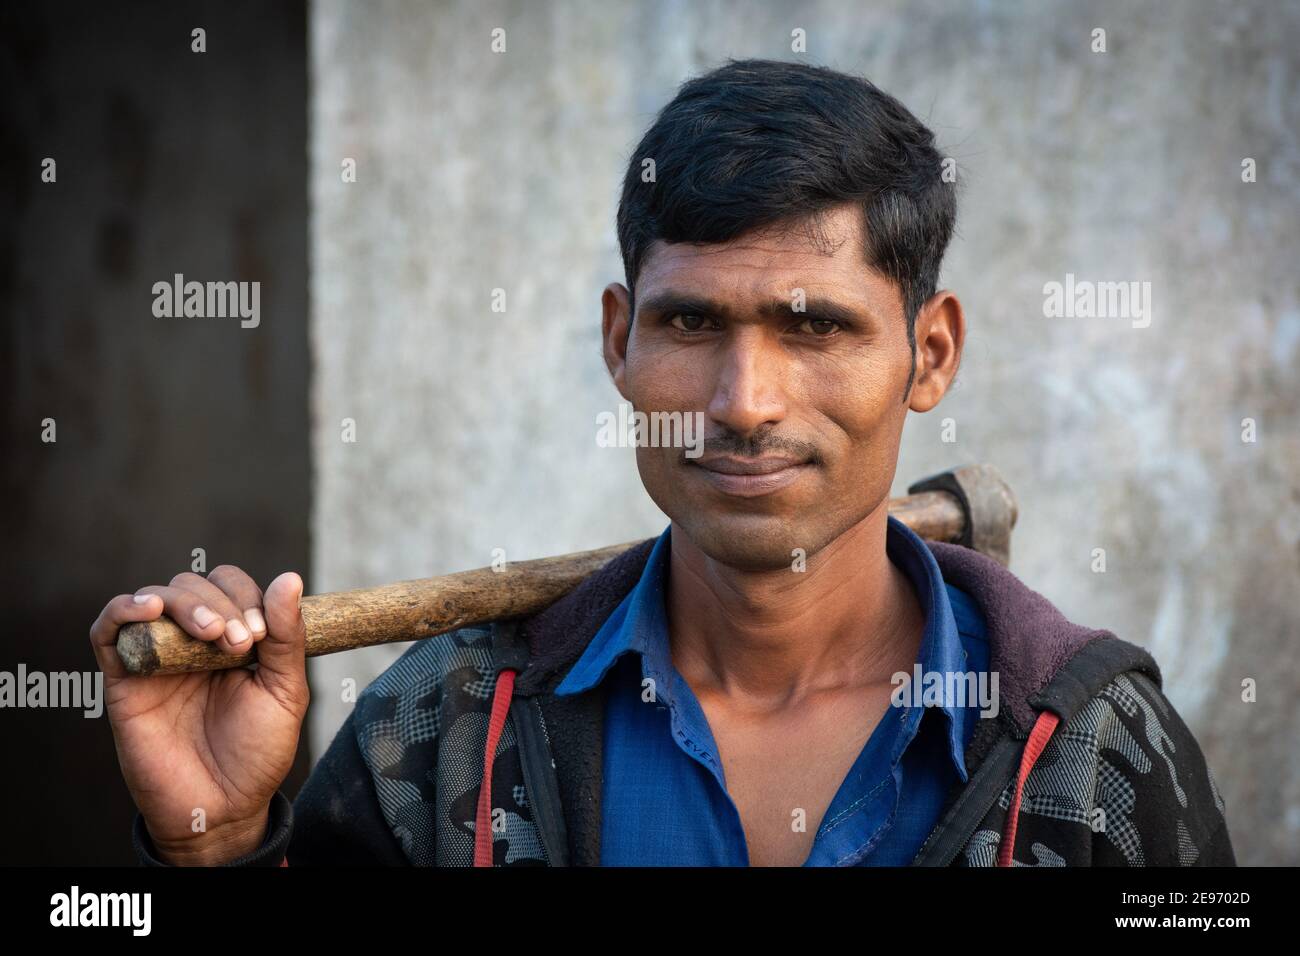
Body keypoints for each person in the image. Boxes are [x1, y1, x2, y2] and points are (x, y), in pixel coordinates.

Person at [91, 58, 1234, 867]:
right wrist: (221, 841)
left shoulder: (1088, 753)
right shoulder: (442, 732)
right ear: (617, 342)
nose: (743, 403)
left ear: (927, 354)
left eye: (816, 327)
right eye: (691, 325)